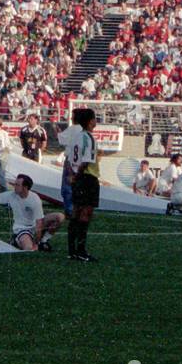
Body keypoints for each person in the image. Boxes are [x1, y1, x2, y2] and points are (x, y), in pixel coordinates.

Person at [66, 108, 99, 262]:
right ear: (90, 121)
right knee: (85, 214)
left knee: (76, 213)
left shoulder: (76, 137)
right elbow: (85, 162)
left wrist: (71, 176)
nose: (95, 121)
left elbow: (68, 159)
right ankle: (81, 250)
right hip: (87, 178)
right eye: (94, 118)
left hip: (77, 178)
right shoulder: (89, 138)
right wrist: (78, 176)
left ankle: (72, 250)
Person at [1, 174, 63, 251]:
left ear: (25, 187)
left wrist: (36, 243)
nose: (14, 186)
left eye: (17, 185)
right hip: (22, 228)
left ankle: (44, 241)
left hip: (35, 225)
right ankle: (16, 240)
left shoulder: (34, 198)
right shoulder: (12, 195)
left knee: (60, 217)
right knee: (29, 249)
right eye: (15, 184)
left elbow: (39, 223)